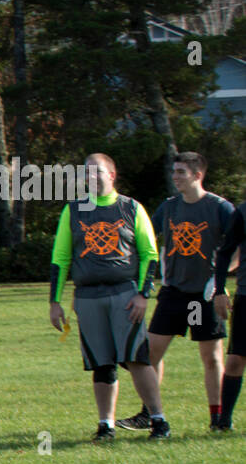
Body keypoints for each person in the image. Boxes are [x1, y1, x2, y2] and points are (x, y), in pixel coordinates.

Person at [48, 153, 168, 441]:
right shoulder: (73, 211)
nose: (91, 177)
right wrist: (55, 301)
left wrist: (143, 294)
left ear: (111, 175)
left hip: (125, 295)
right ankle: (106, 425)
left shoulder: (131, 208)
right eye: (86, 173)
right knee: (101, 363)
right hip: (88, 297)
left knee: (137, 359)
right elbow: (60, 258)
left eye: (97, 172)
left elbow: (149, 254)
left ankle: (158, 419)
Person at [115, 151, 233, 431]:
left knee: (211, 357)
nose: (175, 177)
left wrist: (219, 278)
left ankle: (218, 419)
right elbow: (145, 241)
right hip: (174, 293)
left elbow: (239, 247)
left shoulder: (220, 208)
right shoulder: (168, 208)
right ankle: (150, 413)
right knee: (149, 354)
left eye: (181, 172)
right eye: (174, 171)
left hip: (204, 295)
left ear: (197, 175)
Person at [213, 190, 246, 431]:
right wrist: (220, 290)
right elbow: (225, 253)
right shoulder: (242, 212)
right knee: (235, 360)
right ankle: (224, 422)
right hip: (245, 294)